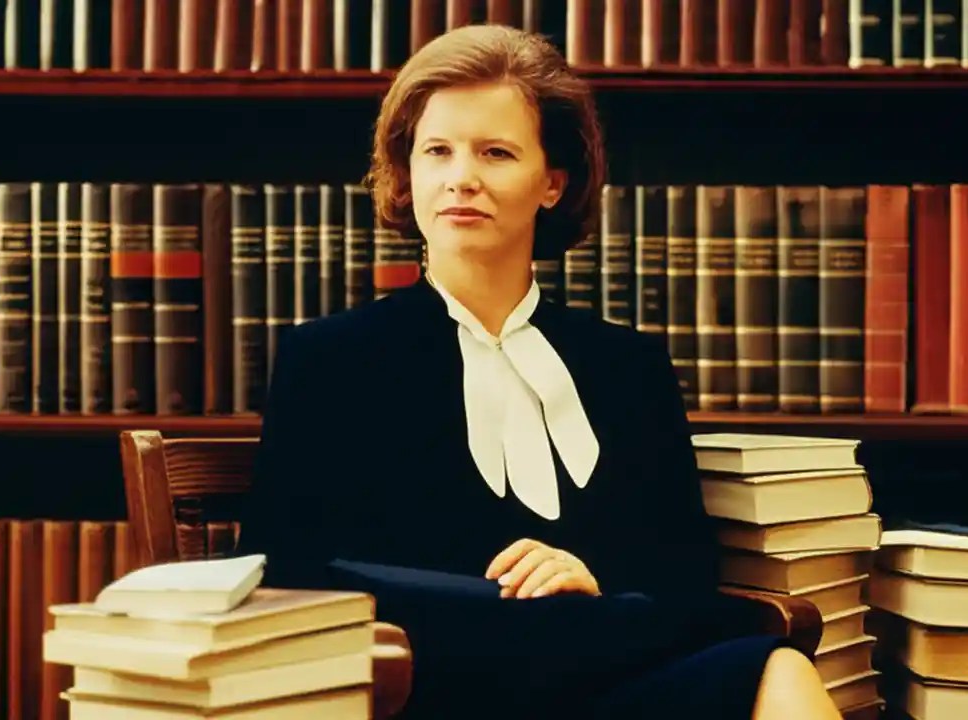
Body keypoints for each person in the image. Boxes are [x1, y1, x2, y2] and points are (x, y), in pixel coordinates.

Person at [236, 23, 842, 720]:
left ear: (552, 183)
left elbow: (686, 581)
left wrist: (594, 578)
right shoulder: (328, 359)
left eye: (495, 152)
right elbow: (284, 580)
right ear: (408, 174)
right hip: (422, 699)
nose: (461, 176)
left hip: (608, 690)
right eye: (438, 151)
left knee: (780, 671)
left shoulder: (627, 366)